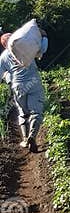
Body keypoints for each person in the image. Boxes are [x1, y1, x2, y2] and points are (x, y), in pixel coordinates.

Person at [0, 19, 48, 154]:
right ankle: (32, 137)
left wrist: (7, 80)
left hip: (18, 86)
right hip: (34, 82)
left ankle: (25, 138)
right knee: (36, 112)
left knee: (23, 113)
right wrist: (44, 36)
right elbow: (43, 49)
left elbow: (0, 75)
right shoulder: (26, 47)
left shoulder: (3, 57)